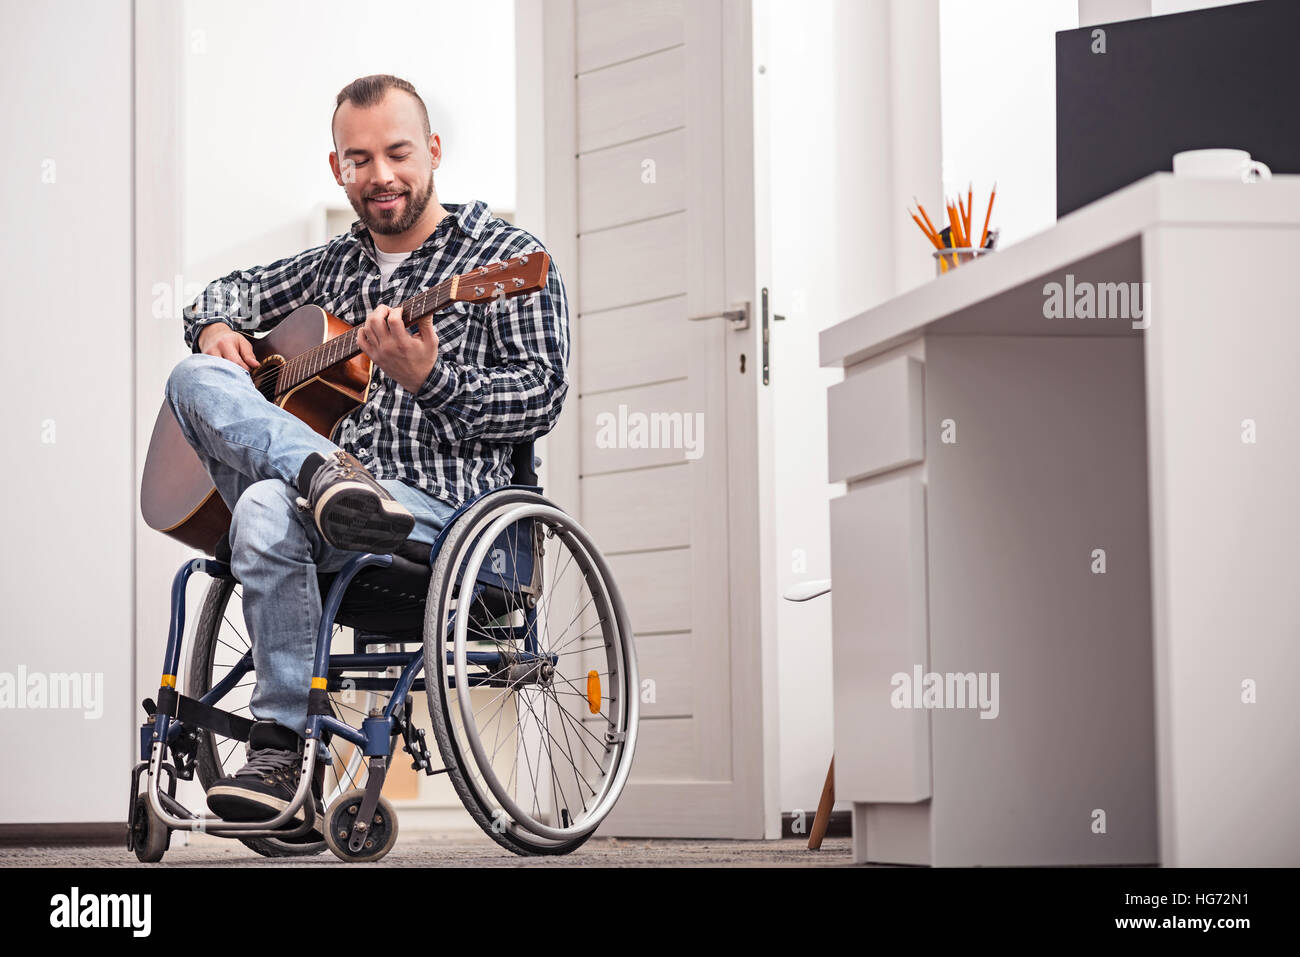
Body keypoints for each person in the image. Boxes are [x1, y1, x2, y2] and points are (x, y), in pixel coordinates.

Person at [165, 74, 570, 833]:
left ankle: (280, 740)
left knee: (259, 501)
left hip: (448, 518)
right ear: (338, 169)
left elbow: (542, 396)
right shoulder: (333, 265)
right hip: (335, 512)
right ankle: (320, 474)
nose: (380, 175)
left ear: (435, 152)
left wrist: (432, 378)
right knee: (194, 375)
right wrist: (217, 329)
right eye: (360, 159)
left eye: (397, 152)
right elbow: (219, 294)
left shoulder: (506, 259)